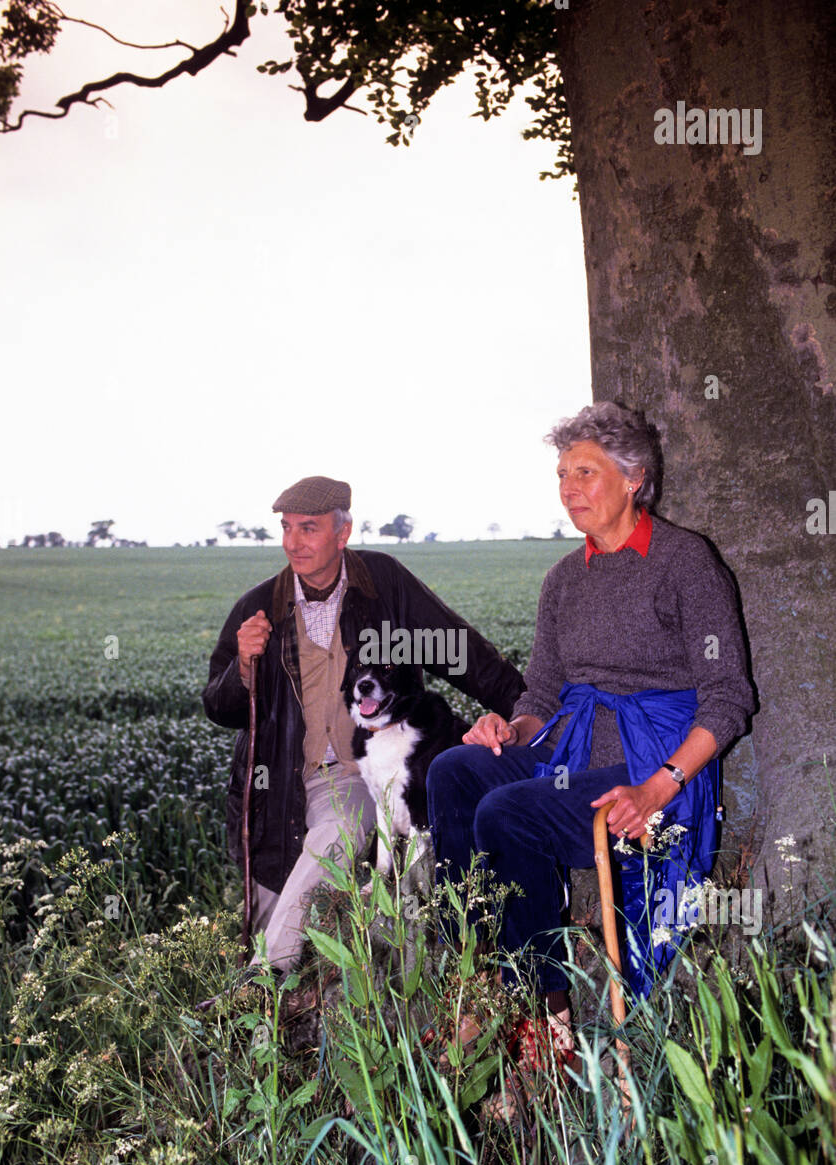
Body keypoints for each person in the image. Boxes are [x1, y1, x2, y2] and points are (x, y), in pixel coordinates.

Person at [426, 402, 755, 1075]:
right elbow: (540, 698)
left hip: (646, 766)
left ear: (633, 478)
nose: (568, 488)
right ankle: (481, 978)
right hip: (569, 755)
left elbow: (729, 699)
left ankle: (547, 1017)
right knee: (455, 771)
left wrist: (659, 786)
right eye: (561, 474)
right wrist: (505, 730)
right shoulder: (562, 581)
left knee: (507, 813)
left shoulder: (686, 563)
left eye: (585, 472)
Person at [202, 475, 524, 994]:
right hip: (278, 786)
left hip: (355, 770)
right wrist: (243, 666)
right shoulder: (259, 606)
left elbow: (462, 653)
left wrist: (530, 713)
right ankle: (254, 1016)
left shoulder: (385, 587)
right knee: (268, 918)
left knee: (337, 838)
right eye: (286, 529)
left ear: (343, 531)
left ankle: (264, 978)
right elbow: (219, 707)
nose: (293, 542)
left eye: (308, 528)